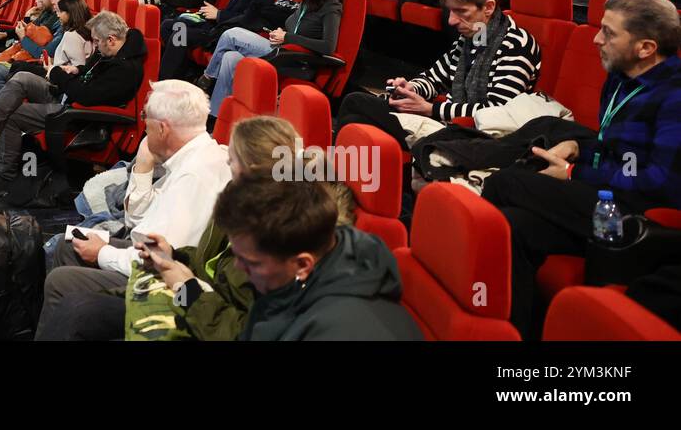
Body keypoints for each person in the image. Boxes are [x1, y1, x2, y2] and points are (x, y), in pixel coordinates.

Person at [482, 0, 681, 338]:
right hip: (605, 196)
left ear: (646, 48)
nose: (596, 38)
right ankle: (511, 333)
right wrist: (578, 148)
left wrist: (574, 173)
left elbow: (657, 181)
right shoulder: (621, 77)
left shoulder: (673, 96)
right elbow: (615, 150)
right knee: (511, 224)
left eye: (608, 32)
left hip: (635, 219)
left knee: (505, 183)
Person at [126, 117, 356, 342]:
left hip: (202, 314)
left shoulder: (283, 242)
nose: (226, 164)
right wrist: (175, 255)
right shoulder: (243, 204)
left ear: (251, 169)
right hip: (201, 308)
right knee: (96, 308)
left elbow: (242, 331)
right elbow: (213, 266)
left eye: (232, 159)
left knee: (94, 312)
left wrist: (186, 288)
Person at [34, 80, 231, 340]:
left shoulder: (194, 177)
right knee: (65, 246)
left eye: (145, 120)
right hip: (152, 253)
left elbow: (161, 259)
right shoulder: (191, 158)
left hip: (170, 280)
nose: (144, 129)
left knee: (61, 281)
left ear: (162, 128)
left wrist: (103, 253)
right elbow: (137, 220)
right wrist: (143, 167)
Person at [335, 0, 541, 150]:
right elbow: (434, 77)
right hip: (447, 122)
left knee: (355, 105)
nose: (451, 20)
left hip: (474, 137)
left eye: (461, 12)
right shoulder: (473, 36)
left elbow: (496, 112)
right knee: (356, 115)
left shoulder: (516, 44)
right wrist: (411, 89)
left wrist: (431, 109)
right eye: (450, 11)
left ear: (488, 7)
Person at [0, 11, 146, 199]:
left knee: (13, 115)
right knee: (22, 77)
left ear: (111, 40)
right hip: (68, 96)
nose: (95, 46)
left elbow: (87, 95)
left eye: (97, 42)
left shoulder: (125, 68)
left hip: (77, 114)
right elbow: (91, 76)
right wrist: (77, 70)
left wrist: (58, 73)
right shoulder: (111, 54)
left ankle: (2, 179)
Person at [212, 170, 422, 340]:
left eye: (251, 262)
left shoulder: (344, 329)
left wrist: (190, 294)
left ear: (303, 264)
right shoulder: (308, 275)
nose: (238, 267)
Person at [205, 0, 344, 116]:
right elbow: (294, 27)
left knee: (231, 34)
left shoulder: (331, 7)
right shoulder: (307, 0)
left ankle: (207, 78)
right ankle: (218, 118)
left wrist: (288, 37)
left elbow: (328, 46)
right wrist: (281, 33)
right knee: (230, 58)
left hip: (298, 62)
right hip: (282, 51)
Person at [50, 0, 93, 71]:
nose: (58, 15)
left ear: (71, 13)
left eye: (61, 11)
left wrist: (50, 68)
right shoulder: (87, 31)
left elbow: (78, 67)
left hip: (59, 79)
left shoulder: (72, 36)